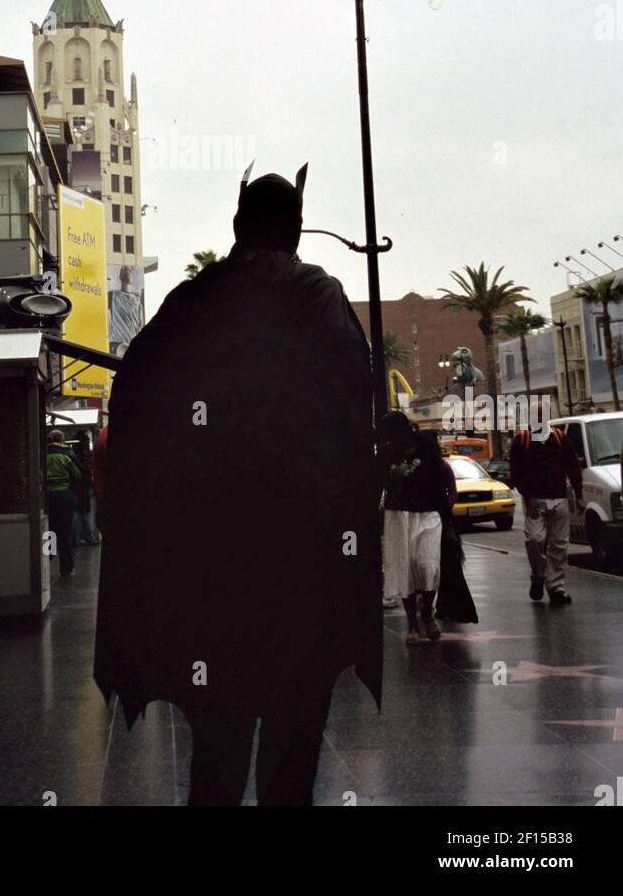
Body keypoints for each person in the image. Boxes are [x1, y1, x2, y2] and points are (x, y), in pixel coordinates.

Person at [94, 164, 382, 807]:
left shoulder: (193, 300)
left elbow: (135, 393)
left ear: (235, 226)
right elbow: (348, 409)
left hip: (208, 574)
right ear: (297, 230)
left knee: (217, 753)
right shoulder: (318, 297)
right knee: (293, 748)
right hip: (300, 573)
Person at [377, 412, 457, 644]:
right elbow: (376, 483)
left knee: (428, 565)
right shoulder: (386, 452)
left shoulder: (426, 445)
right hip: (398, 515)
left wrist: (449, 521)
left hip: (428, 514)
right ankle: (412, 624)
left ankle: (427, 612)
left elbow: (441, 484)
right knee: (405, 569)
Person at [510, 422, 584, 605]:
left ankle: (556, 587)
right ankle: (538, 576)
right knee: (535, 540)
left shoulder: (559, 437)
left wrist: (579, 493)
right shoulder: (522, 439)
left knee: (559, 544)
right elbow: (516, 471)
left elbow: (572, 465)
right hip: (534, 500)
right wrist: (528, 497)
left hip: (559, 497)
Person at [46, 432, 81, 577]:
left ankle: (46, 561)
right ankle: (66, 567)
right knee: (65, 529)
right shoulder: (68, 454)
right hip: (65, 495)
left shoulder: (43, 454)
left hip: (48, 496)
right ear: (62, 440)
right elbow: (78, 475)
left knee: (48, 529)